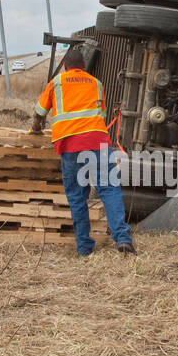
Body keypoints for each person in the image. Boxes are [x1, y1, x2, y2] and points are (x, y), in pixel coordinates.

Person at [30, 50, 136, 256]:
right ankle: (123, 239)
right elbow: (101, 114)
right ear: (84, 64)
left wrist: (35, 129)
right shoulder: (96, 83)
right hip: (98, 141)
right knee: (110, 190)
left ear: (65, 66)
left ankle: (85, 248)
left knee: (78, 196)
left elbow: (39, 113)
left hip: (71, 145)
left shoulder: (57, 82)